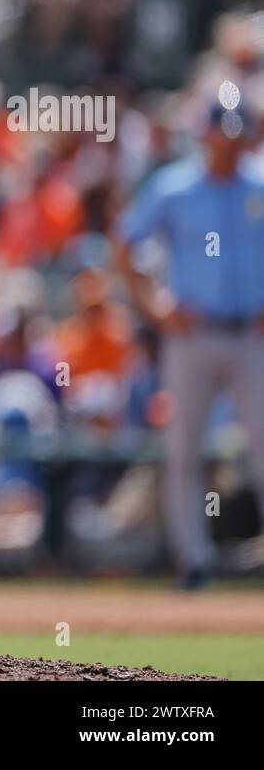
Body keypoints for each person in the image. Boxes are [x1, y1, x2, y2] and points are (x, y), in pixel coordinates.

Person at [114, 99, 264, 589]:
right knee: (183, 450)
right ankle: (194, 560)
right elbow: (125, 241)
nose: (228, 141)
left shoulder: (259, 184)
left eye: (236, 132)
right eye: (221, 131)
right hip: (193, 334)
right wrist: (154, 306)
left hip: (251, 334)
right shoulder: (175, 186)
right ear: (205, 135)